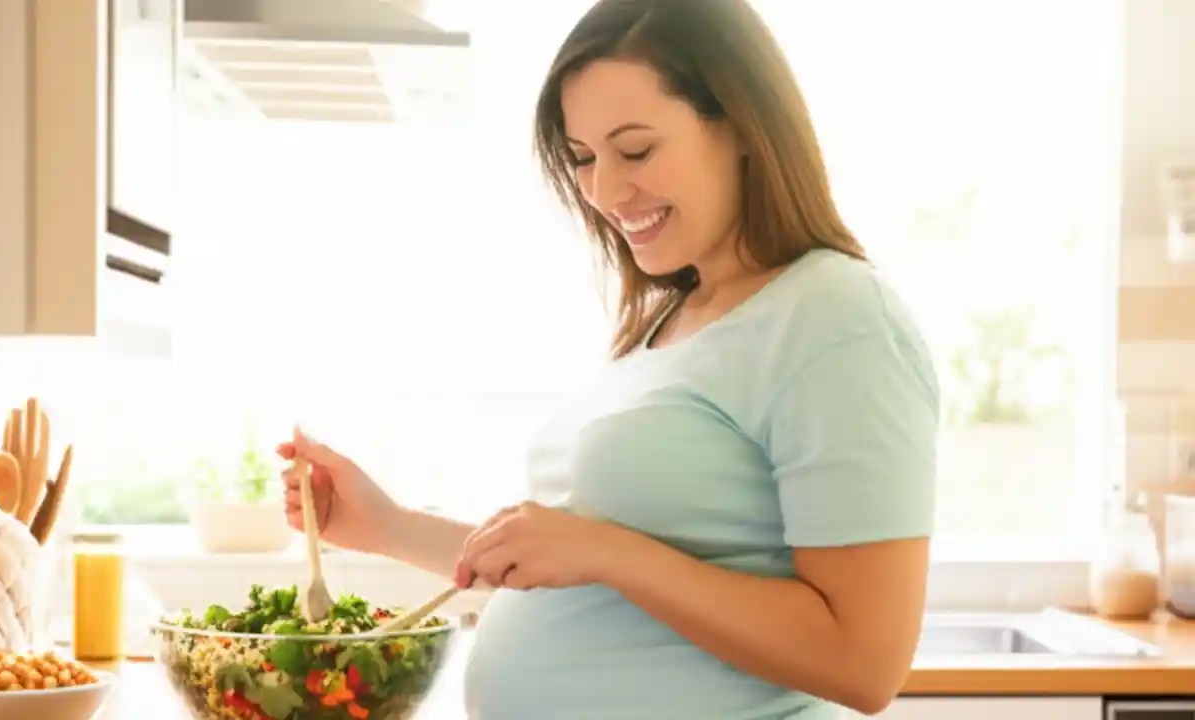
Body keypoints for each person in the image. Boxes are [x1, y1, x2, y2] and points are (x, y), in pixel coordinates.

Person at [278, 0, 939, 717]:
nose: (602, 192)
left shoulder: (835, 317)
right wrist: (384, 526)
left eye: (636, 150)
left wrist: (608, 551)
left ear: (744, 125)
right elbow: (580, 569)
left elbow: (865, 662)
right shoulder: (671, 323)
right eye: (585, 159)